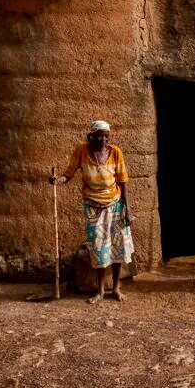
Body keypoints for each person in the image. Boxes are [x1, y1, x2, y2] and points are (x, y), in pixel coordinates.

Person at [50, 120, 134, 304]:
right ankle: (101, 291)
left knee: (117, 248)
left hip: (116, 205)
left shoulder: (115, 152)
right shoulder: (81, 151)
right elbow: (69, 173)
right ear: (91, 136)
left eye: (106, 136)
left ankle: (116, 287)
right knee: (99, 249)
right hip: (93, 207)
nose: (102, 139)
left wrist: (128, 209)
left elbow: (123, 181)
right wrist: (58, 181)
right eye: (98, 135)